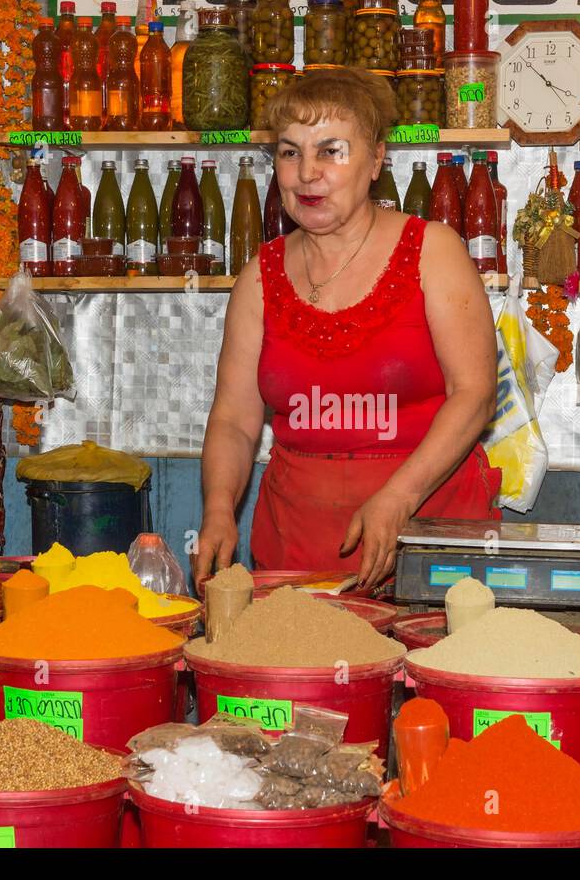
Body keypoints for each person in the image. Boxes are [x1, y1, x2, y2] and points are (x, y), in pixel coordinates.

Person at [194, 68, 500, 591]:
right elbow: (234, 419)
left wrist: (400, 495)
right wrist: (219, 510)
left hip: (429, 535)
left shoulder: (433, 251)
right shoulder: (258, 277)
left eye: (331, 151)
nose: (307, 173)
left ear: (376, 159)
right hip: (298, 544)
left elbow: (474, 393)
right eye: (290, 153)